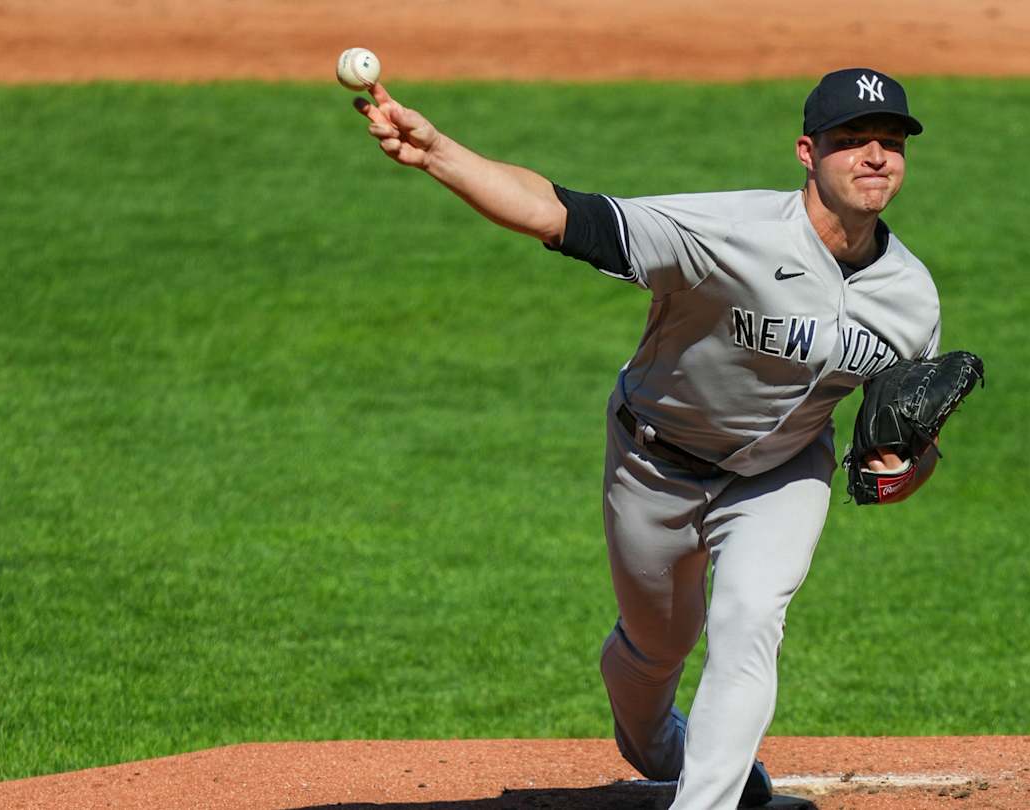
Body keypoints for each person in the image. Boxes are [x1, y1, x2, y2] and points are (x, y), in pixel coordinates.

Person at [353, 67, 941, 809]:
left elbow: (910, 440)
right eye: (850, 141)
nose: (874, 156)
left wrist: (900, 471)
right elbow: (558, 213)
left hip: (780, 475)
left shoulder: (912, 298)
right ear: (806, 152)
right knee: (656, 646)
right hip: (652, 463)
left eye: (889, 142)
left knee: (750, 615)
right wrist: (439, 152)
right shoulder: (729, 234)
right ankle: (661, 743)